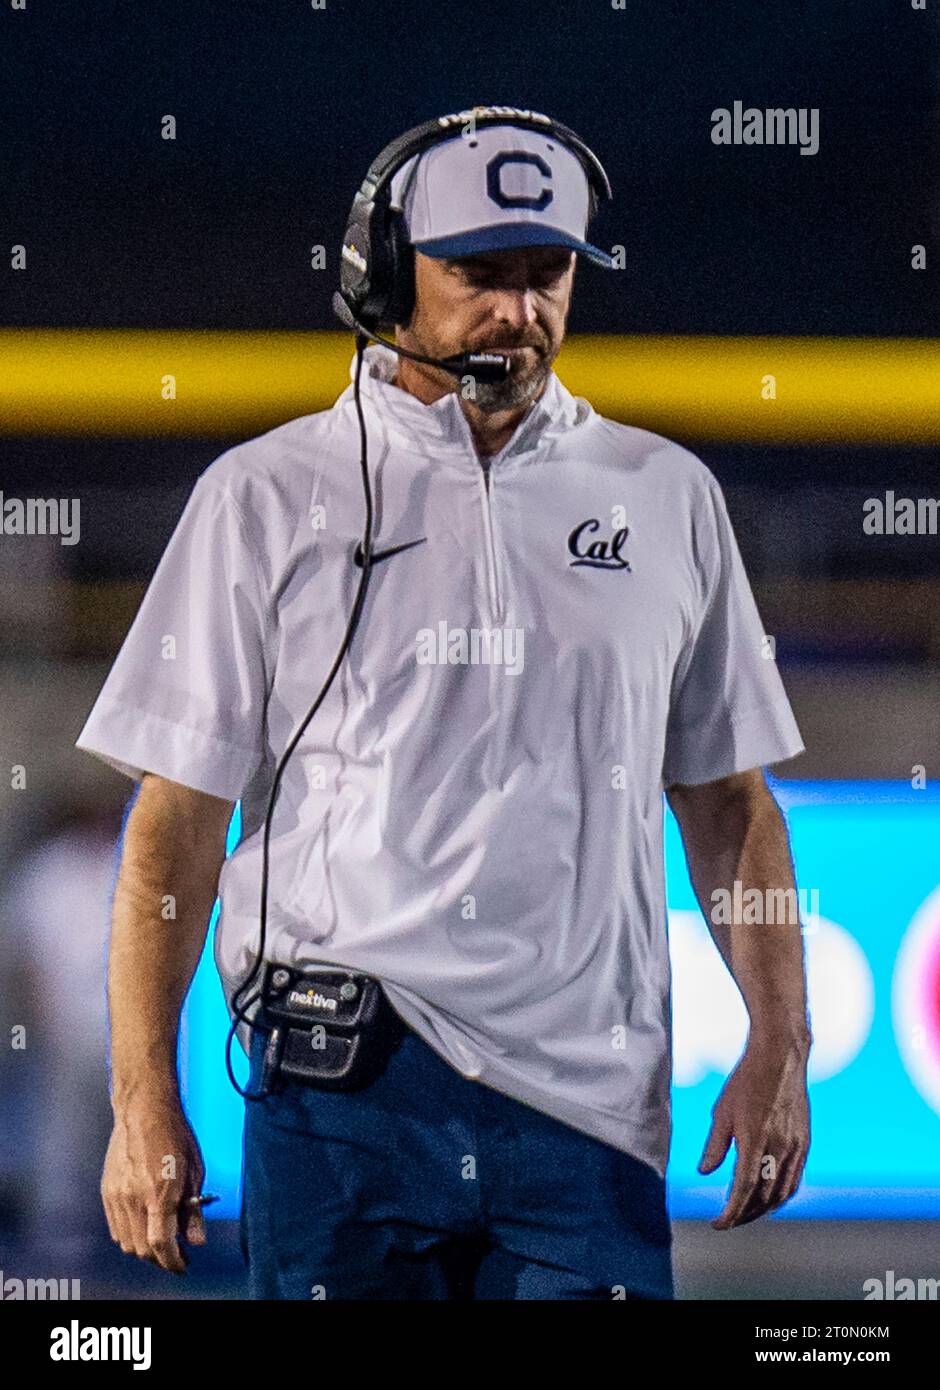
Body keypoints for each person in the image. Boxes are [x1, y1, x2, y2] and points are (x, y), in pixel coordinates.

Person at [76, 107, 811, 1301]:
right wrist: (142, 1094)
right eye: (480, 273)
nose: (519, 310)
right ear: (380, 270)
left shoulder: (666, 496)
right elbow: (175, 821)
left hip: (589, 1111)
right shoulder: (262, 498)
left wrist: (781, 1041)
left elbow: (730, 803)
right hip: (342, 1098)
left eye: (547, 273)